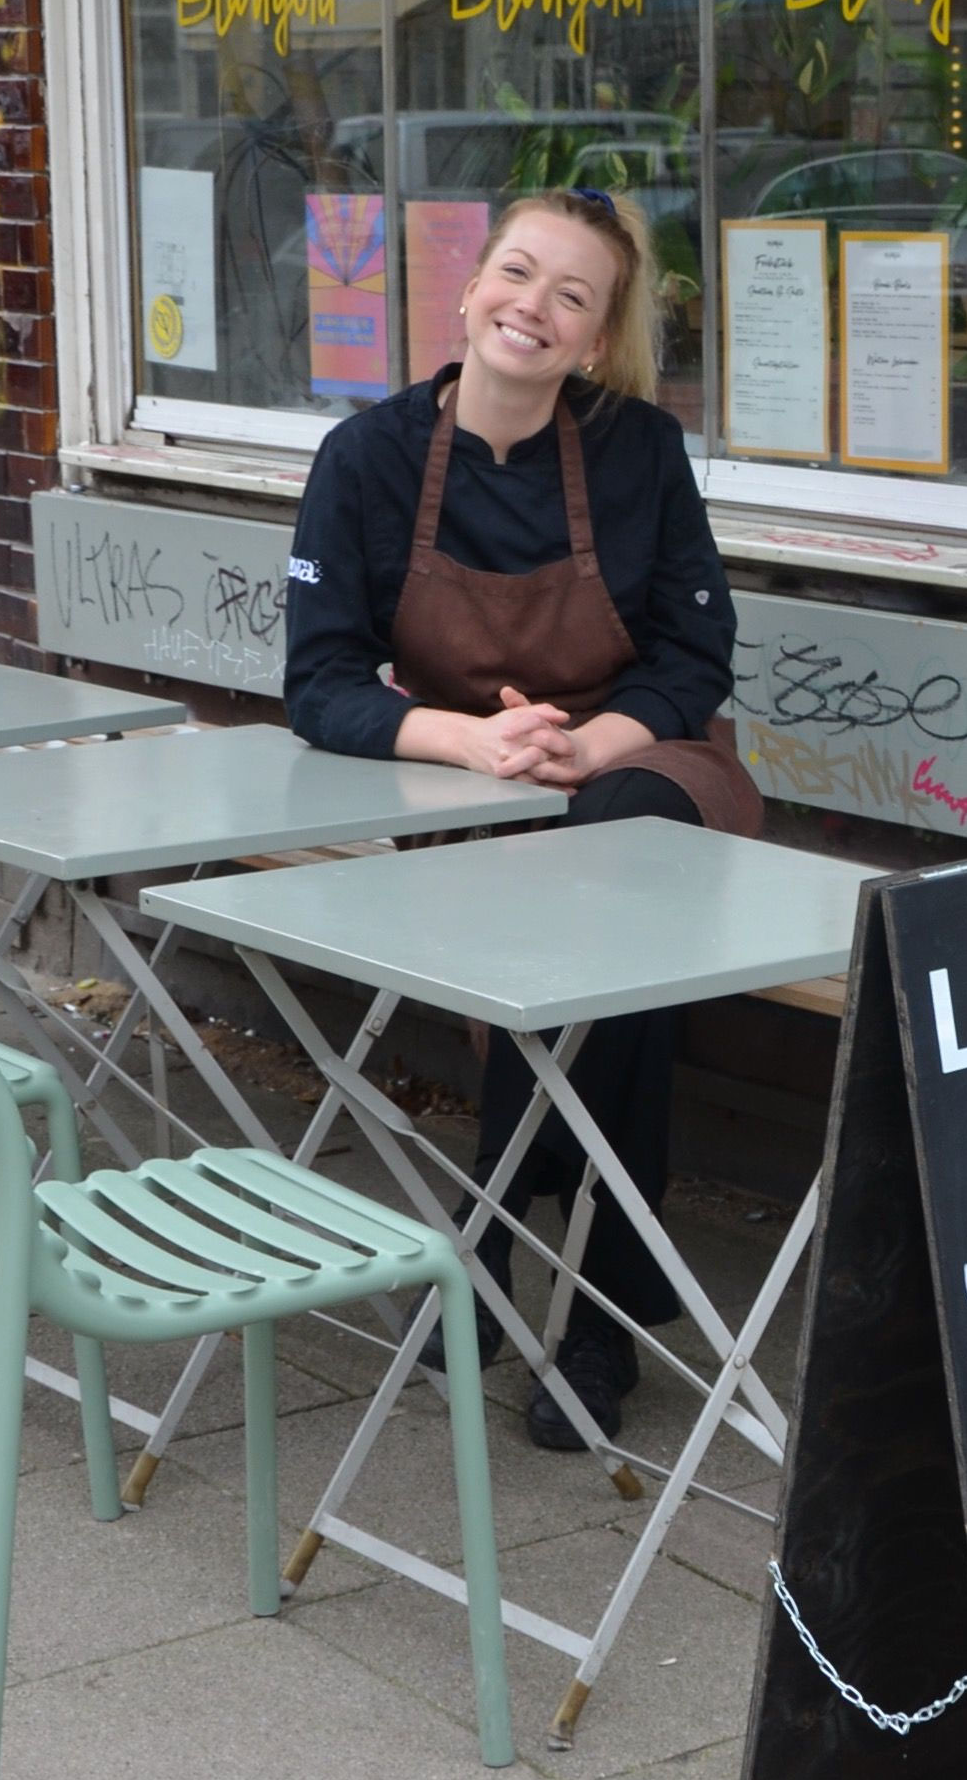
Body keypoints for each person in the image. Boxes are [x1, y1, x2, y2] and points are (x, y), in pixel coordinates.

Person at [281, 188, 758, 1452]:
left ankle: (502, 1248)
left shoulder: (638, 451)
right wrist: (481, 744)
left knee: (617, 852)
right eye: (517, 273)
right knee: (600, 937)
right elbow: (319, 681)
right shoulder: (368, 460)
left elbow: (696, 649)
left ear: (596, 341)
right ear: (469, 286)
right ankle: (606, 1298)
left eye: (572, 295)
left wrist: (586, 745)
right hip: (464, 773)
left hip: (643, 758)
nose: (533, 308)